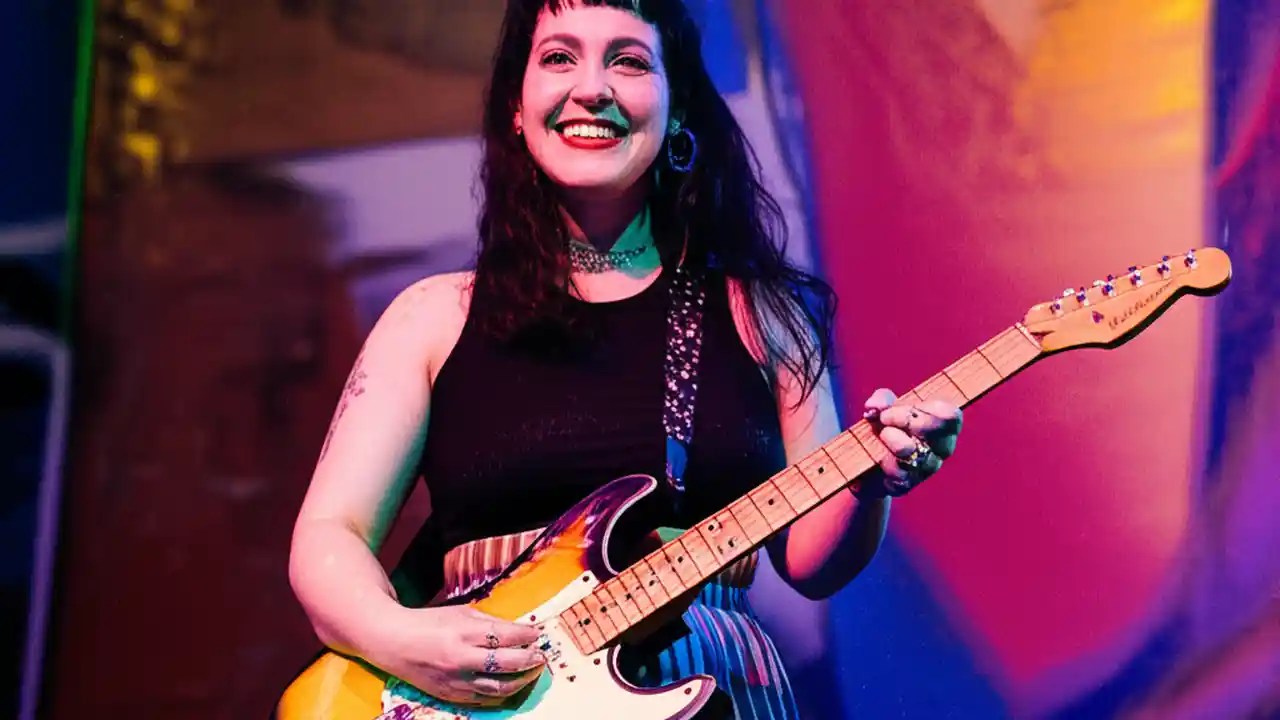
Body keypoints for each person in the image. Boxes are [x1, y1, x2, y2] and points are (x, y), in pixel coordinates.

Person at [287, 0, 963, 717]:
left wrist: (870, 479)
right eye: (558, 57)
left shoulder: (764, 316)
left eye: (629, 61)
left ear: (676, 112)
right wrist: (399, 636)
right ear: (517, 106)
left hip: (717, 690)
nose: (592, 87)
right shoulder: (432, 317)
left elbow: (809, 564)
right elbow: (331, 536)